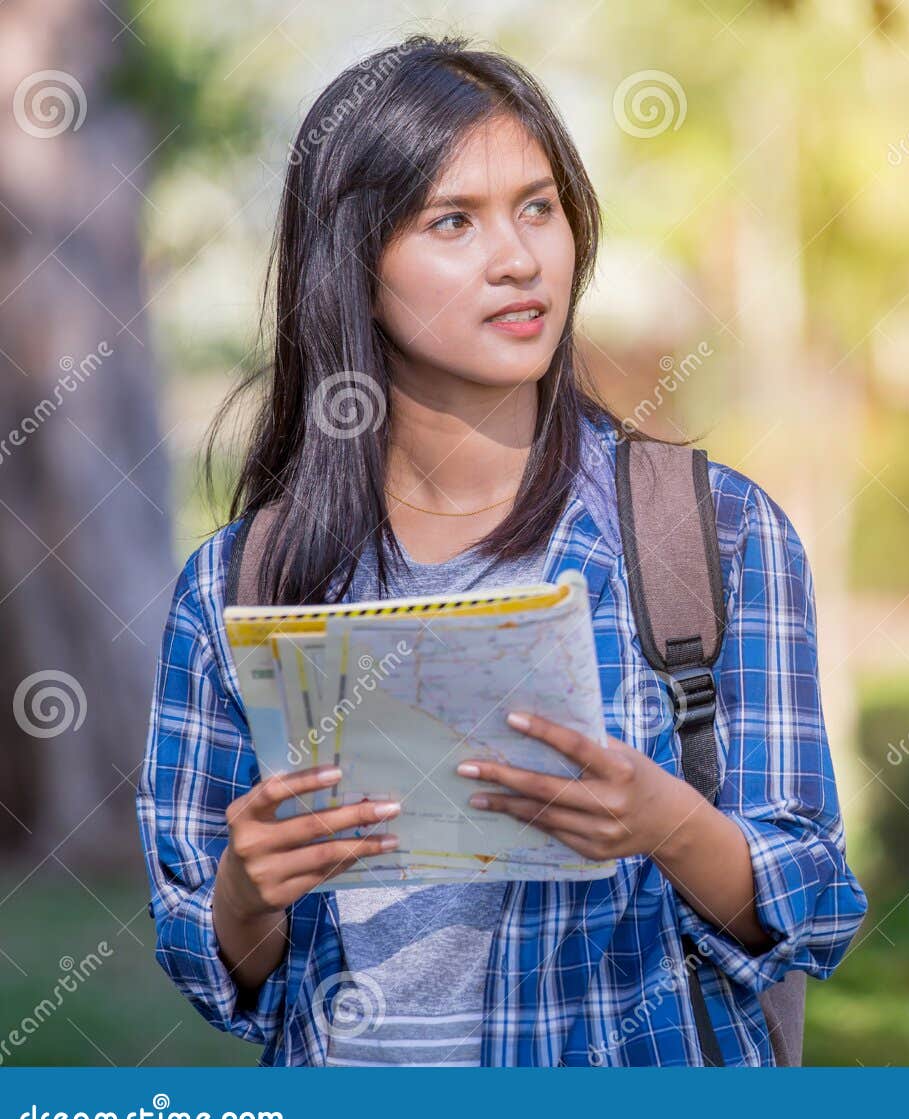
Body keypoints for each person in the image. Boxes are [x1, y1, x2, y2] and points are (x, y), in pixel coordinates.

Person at [134, 34, 867, 1067]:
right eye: (452, 221)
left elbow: (815, 899)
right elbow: (214, 964)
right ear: (355, 264)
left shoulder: (713, 536)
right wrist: (248, 889)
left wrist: (665, 822)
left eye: (538, 206)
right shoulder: (239, 585)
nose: (519, 256)